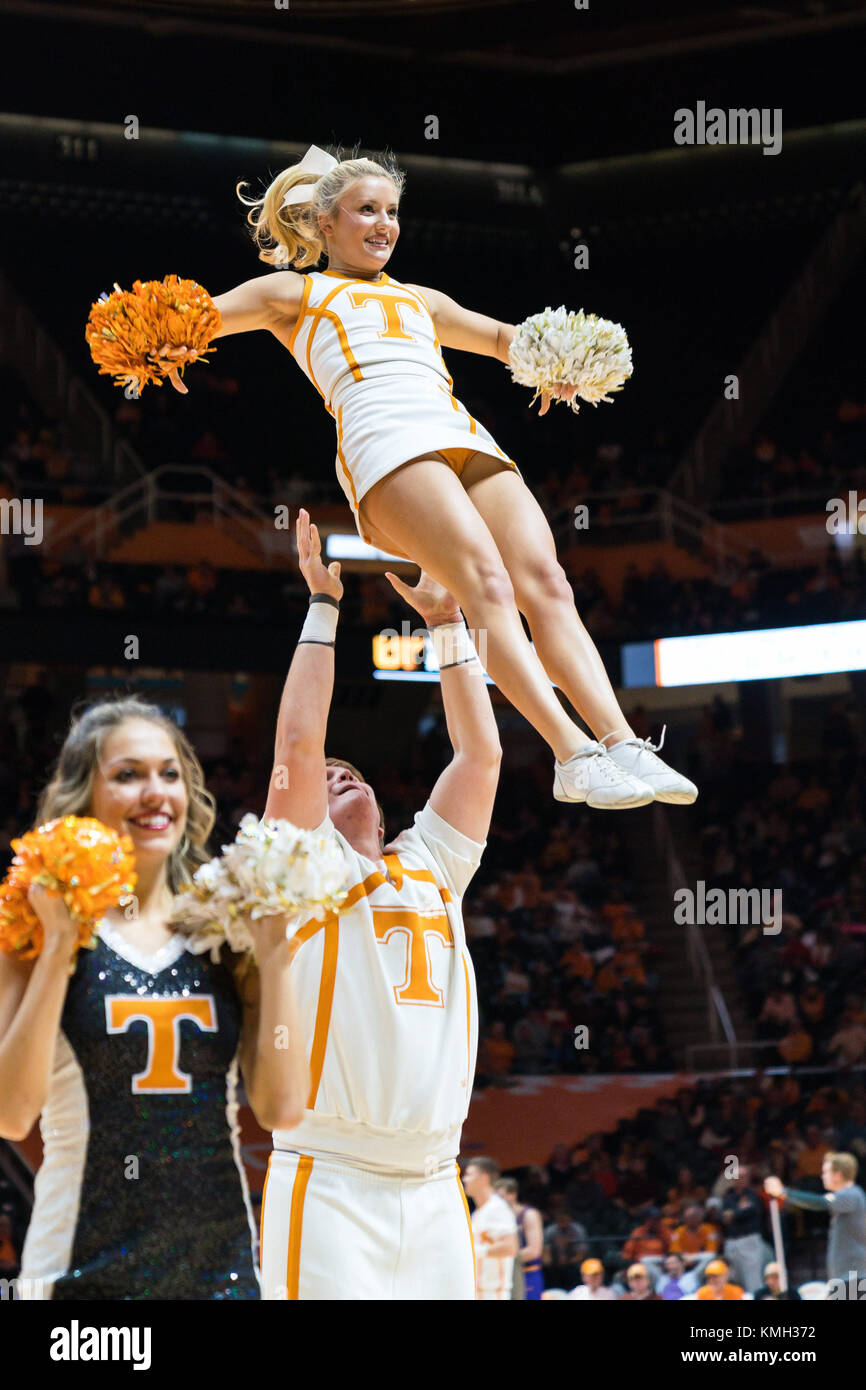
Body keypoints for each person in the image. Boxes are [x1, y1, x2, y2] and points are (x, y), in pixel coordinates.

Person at [169, 143, 697, 812]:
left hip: (461, 432)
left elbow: (510, 341)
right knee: (488, 585)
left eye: (391, 210)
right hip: (384, 442)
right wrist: (152, 336)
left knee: (548, 583)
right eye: (366, 210)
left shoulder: (423, 300)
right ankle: (572, 753)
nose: (384, 223)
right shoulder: (294, 293)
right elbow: (201, 320)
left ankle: (621, 742)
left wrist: (566, 363)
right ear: (324, 222)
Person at [257, 511, 501, 1300]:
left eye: (348, 771)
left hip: (436, 1180)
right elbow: (296, 744)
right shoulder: (302, 868)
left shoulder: (431, 863)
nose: (335, 774)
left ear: (386, 811)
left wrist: (448, 626)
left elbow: (481, 754)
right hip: (328, 1175)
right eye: (323, 781)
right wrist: (323, 607)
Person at [0, 698, 308, 1299]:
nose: (155, 792)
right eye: (127, 775)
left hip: (219, 1269)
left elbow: (282, 1109)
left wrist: (273, 960)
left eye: (169, 773)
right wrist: (62, 942)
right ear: (83, 795)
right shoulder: (29, 924)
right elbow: (11, 1114)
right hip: (78, 1267)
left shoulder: (225, 929)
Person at [765, 1153, 866, 1298]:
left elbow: (818, 1202)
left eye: (825, 1172)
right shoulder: (848, 1197)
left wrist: (783, 1192)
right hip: (847, 1278)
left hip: (853, 1277)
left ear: (837, 1175)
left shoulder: (851, 1195)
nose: (822, 1176)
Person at [463, 1158, 519, 1301]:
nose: (464, 1179)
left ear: (483, 1178)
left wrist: (473, 1251)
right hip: (477, 1291)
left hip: (493, 1293)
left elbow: (510, 1247)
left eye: (469, 1174)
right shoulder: (477, 1213)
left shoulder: (497, 1208)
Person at [496, 1175, 545, 1300]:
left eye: (501, 1197)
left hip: (528, 1274)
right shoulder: (498, 1218)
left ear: (513, 1195)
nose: (497, 1202)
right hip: (506, 1275)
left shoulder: (529, 1215)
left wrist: (500, 1259)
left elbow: (534, 1251)